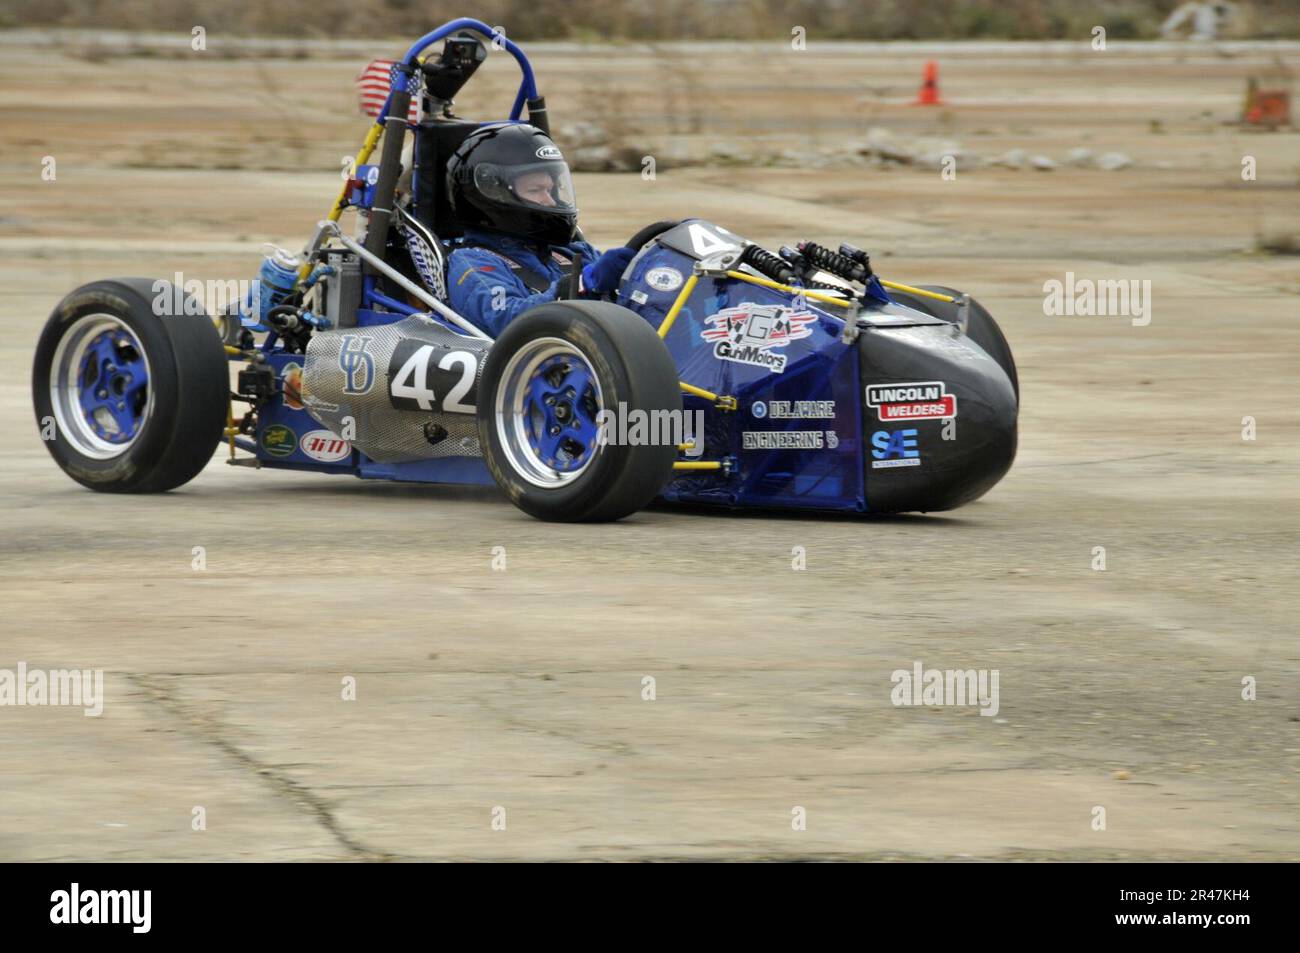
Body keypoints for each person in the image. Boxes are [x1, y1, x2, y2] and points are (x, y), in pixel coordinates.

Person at [444, 122, 635, 337]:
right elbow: (507, 321)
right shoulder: (474, 261)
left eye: (551, 190)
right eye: (536, 190)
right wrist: (581, 284)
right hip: (542, 361)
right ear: (494, 193)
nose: (550, 201)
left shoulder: (571, 250)